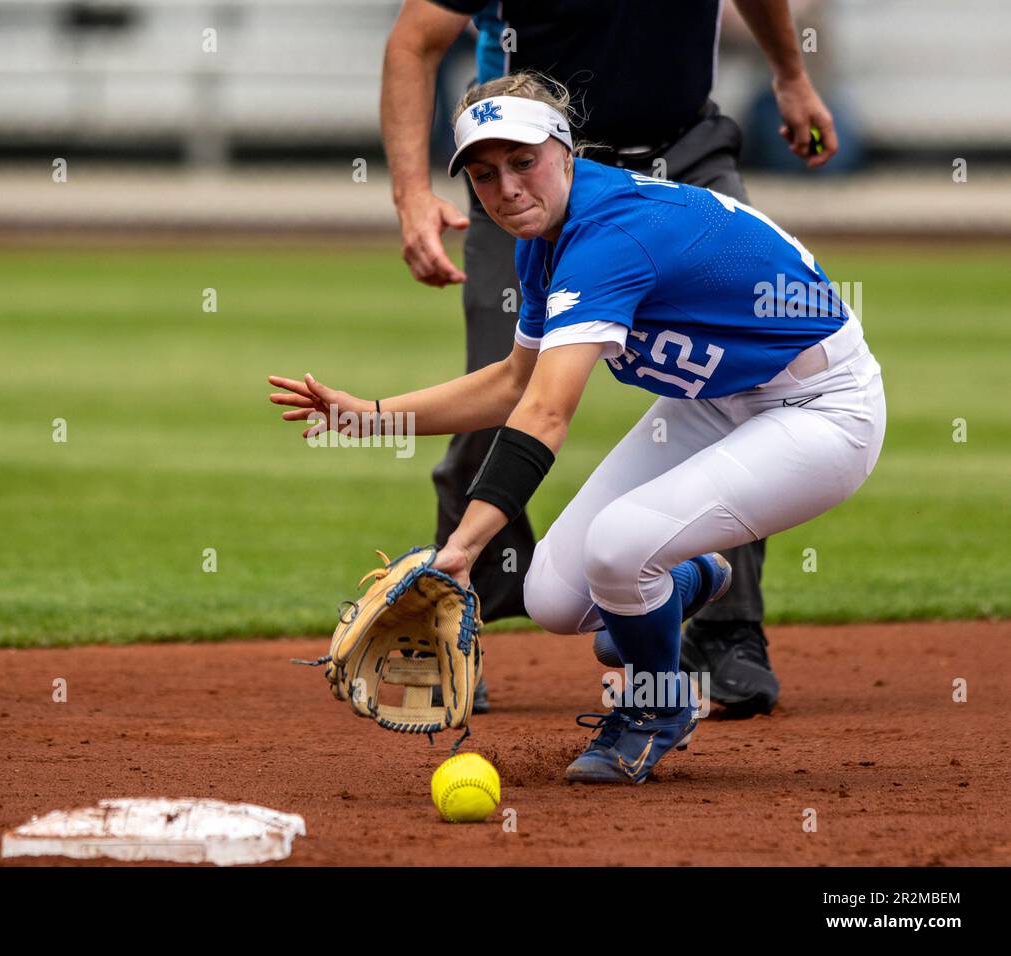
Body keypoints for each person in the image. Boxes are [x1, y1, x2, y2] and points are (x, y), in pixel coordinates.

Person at [269, 73, 883, 783]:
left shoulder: (611, 233)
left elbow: (547, 413)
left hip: (821, 410)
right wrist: (374, 417)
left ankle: (658, 707)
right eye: (484, 173)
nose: (506, 189)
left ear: (566, 150)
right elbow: (512, 384)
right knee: (555, 597)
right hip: (715, 403)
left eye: (523, 162)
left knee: (621, 551)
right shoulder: (545, 239)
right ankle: (685, 582)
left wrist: (461, 549)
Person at [381, 0, 840, 716]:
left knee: (738, 381)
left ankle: (726, 634)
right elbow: (415, 42)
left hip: (682, 150)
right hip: (527, 164)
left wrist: (789, 75)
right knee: (499, 400)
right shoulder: (517, 185)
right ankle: (456, 620)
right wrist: (411, 195)